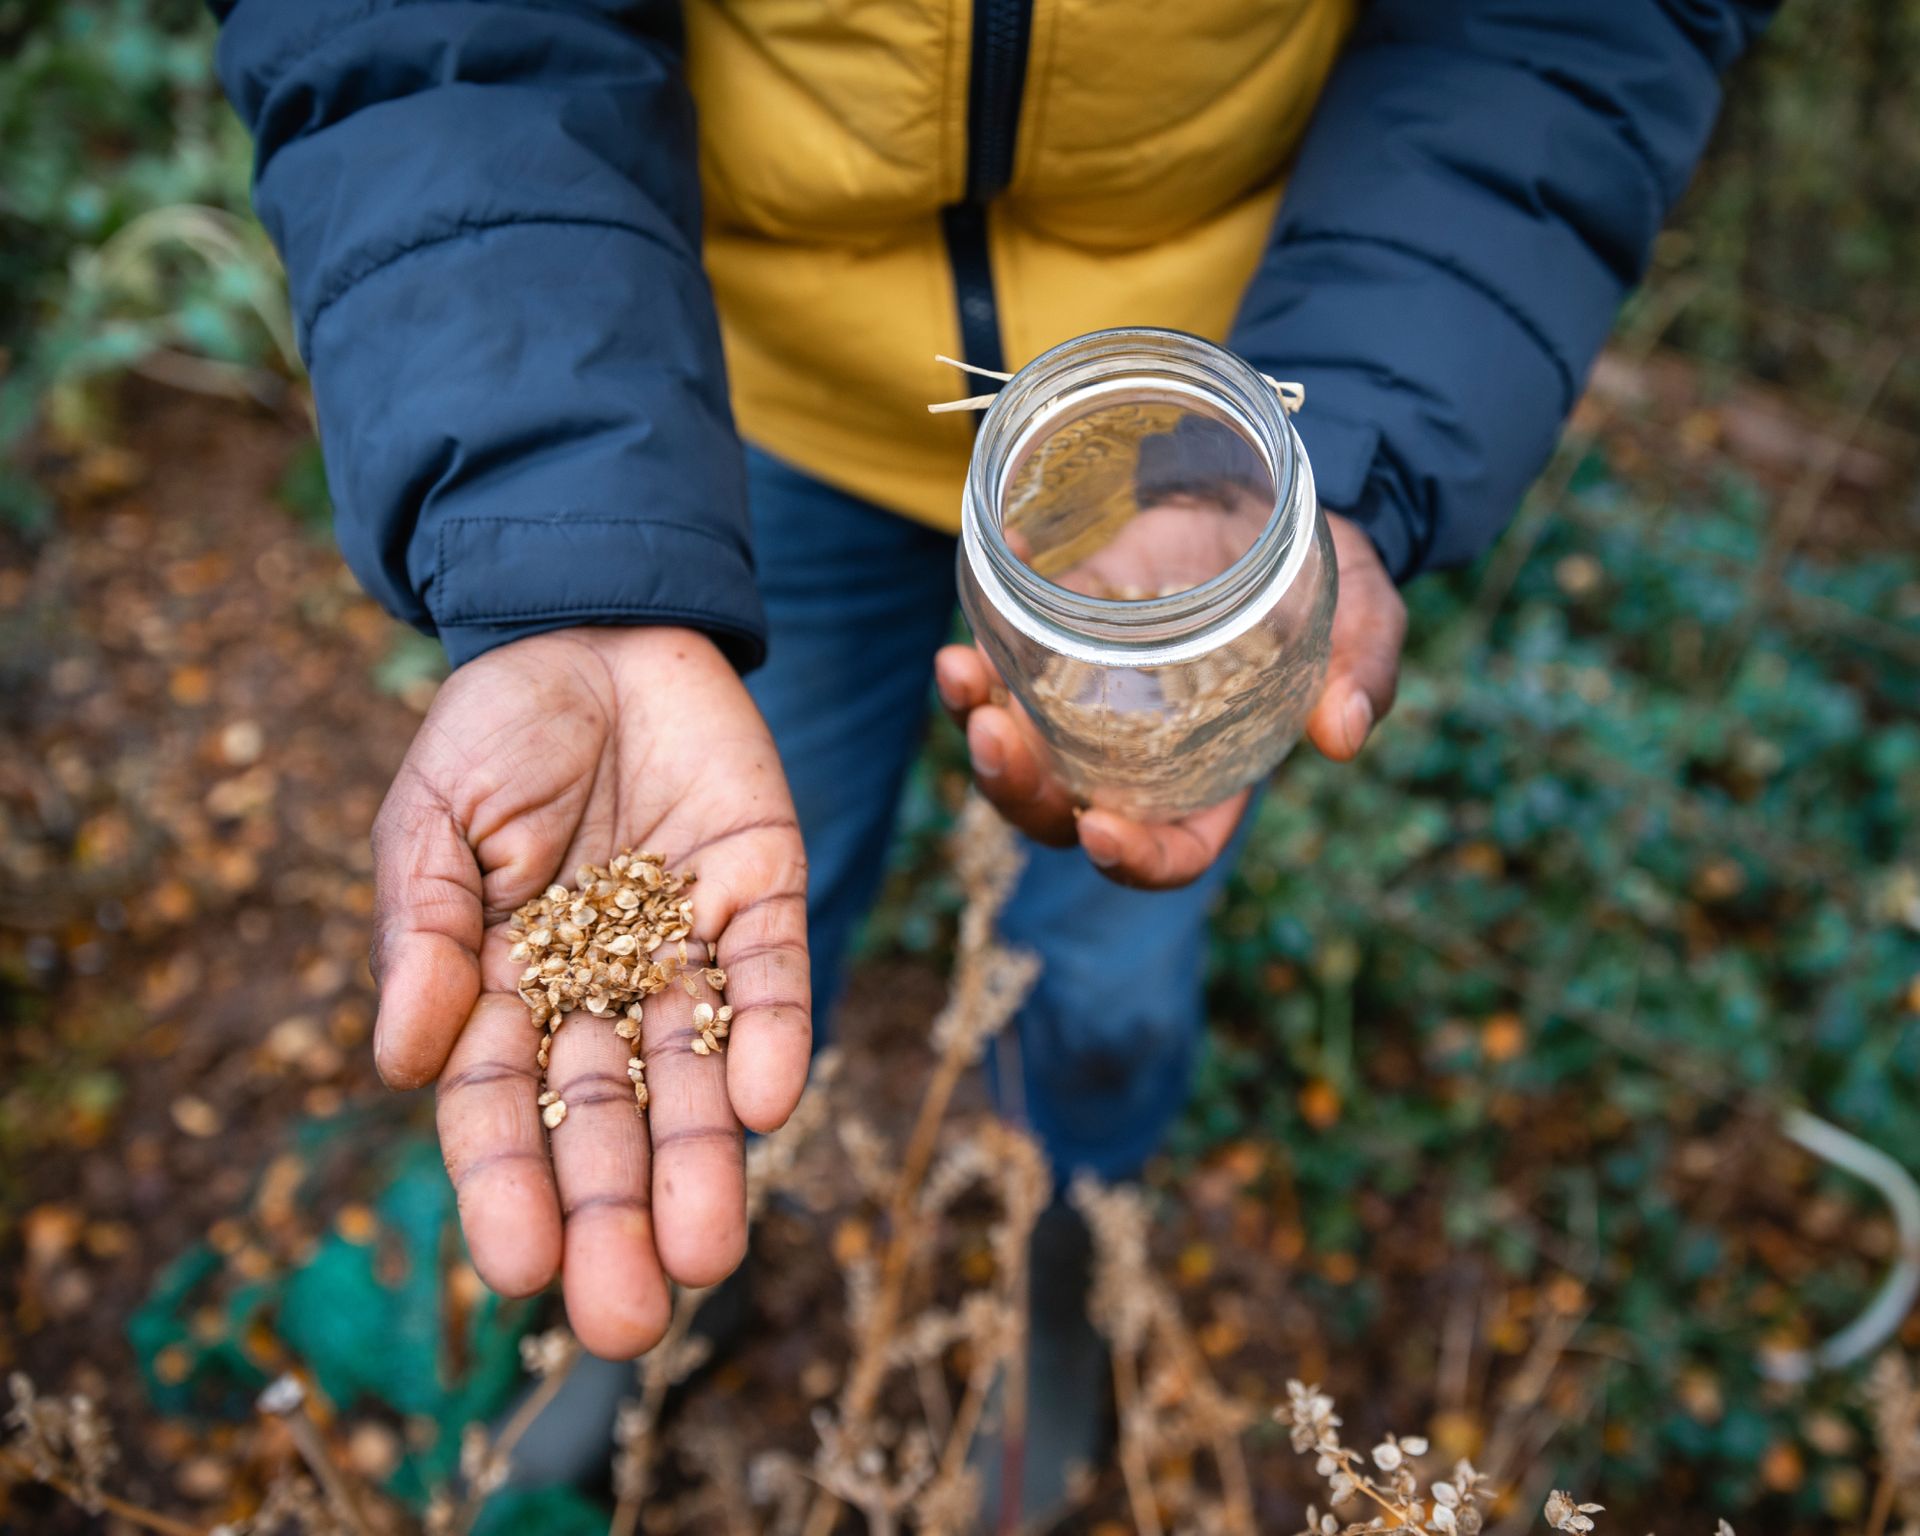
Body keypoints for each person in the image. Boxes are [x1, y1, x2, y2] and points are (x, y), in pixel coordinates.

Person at [213, 0, 1777, 1513]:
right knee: (736, 904)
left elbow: (1565, 27)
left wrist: (1349, 433)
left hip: (1195, 439)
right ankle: (692, 1276)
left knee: (1107, 973)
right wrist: (569, 546)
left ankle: (1056, 1286)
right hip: (745, 392)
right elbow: (431, 28)